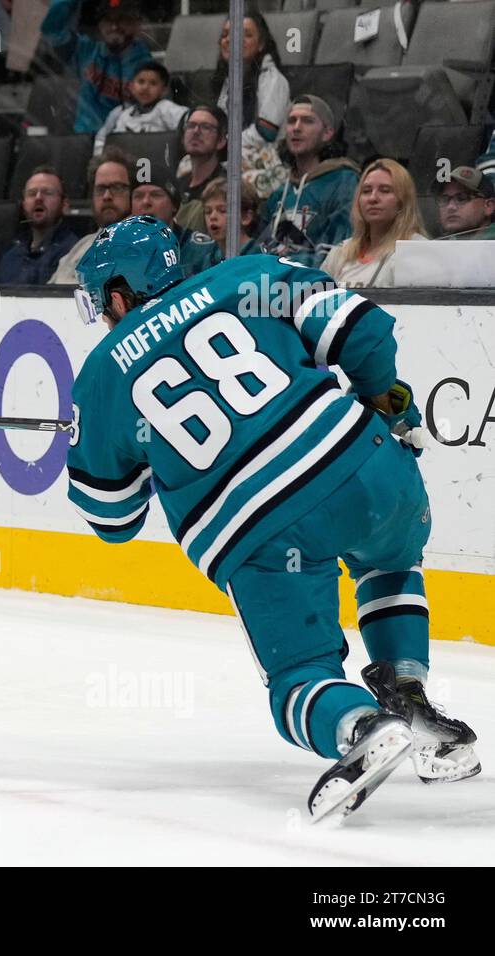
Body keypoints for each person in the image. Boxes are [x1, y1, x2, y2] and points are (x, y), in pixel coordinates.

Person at [67, 214, 479, 822]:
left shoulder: (102, 374)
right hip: (368, 471)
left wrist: (142, 453)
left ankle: (362, 723)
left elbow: (113, 519)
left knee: (297, 679)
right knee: (390, 562)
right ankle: (410, 693)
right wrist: (383, 397)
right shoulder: (250, 274)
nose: (103, 315)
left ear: (120, 294)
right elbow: (363, 331)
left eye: (101, 301)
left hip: (263, 535)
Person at [254, 95, 358, 267]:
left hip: (318, 287)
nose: (296, 127)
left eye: (307, 121)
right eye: (291, 120)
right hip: (272, 287)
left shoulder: (344, 183)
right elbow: (259, 252)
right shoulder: (279, 193)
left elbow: (339, 251)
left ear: (327, 133)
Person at [41, 0, 152, 134]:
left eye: (122, 19)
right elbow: (52, 29)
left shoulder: (147, 65)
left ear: (135, 24)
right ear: (99, 24)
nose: (114, 26)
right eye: (108, 20)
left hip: (127, 141)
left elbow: (156, 116)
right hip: (86, 141)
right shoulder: (85, 50)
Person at [213, 10, 288, 198]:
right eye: (225, 35)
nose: (231, 40)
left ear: (261, 44)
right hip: (232, 155)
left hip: (266, 160)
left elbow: (266, 132)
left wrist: (224, 144)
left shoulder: (273, 79)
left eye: (245, 34)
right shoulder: (228, 82)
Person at [320, 158, 427, 288]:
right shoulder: (340, 253)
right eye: (366, 191)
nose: (373, 198)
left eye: (385, 190)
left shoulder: (416, 250)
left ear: (403, 201)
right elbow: (318, 302)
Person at [48, 148, 134, 284]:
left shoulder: (142, 245)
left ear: (132, 193)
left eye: (116, 187)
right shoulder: (81, 245)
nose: (107, 196)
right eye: (100, 189)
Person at [0, 166, 78, 285]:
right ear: (23, 205)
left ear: (64, 205)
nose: (38, 198)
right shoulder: (10, 257)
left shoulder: (73, 254)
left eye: (47, 193)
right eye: (32, 193)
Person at [131, 175, 222, 277]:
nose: (146, 202)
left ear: (174, 205)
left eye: (156, 195)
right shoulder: (120, 249)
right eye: (138, 196)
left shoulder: (202, 251)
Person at [92, 62, 187, 155]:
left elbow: (189, 121)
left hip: (158, 164)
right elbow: (101, 140)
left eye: (153, 83)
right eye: (141, 82)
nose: (145, 87)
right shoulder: (122, 114)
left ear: (164, 90)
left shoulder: (166, 108)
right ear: (131, 86)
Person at [175, 105, 227, 234]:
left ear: (221, 141)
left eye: (206, 127)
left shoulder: (225, 186)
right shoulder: (177, 184)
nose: (196, 131)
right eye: (191, 125)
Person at [201, 176, 261, 256]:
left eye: (223, 210)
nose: (212, 217)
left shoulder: (259, 258)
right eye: (208, 211)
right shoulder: (206, 259)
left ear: (246, 217)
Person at [435, 166, 495, 241]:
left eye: (462, 198)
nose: (450, 207)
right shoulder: (439, 246)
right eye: (444, 199)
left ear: (488, 206)